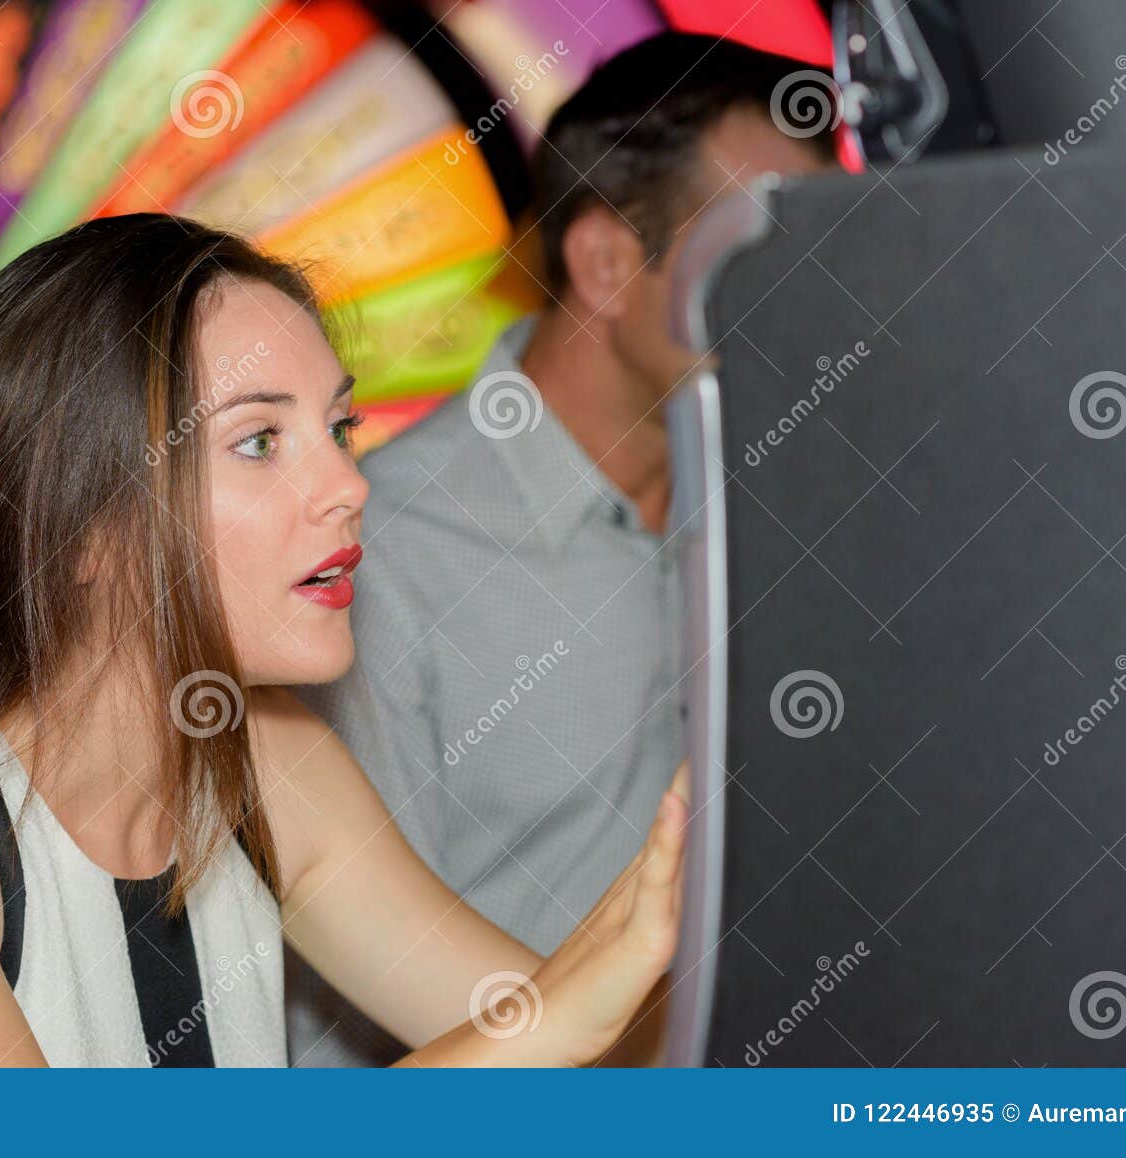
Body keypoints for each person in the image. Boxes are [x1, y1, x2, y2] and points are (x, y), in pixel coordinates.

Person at [0, 213, 687, 1067]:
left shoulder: (268, 756)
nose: (350, 487)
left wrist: (666, 924)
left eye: (338, 431)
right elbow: (543, 1034)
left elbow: (566, 1049)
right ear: (78, 523)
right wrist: (566, 1012)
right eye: (260, 442)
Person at [287, 32, 837, 1066]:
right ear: (603, 262)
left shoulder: (770, 506)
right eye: (764, 249)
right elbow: (341, 1025)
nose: (815, 293)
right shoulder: (382, 553)